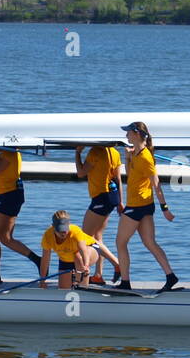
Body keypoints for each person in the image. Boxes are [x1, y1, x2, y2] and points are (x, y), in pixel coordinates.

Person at [114, 121, 178, 292]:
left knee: (120, 243)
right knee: (150, 242)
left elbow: (156, 184)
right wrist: (127, 158)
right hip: (144, 205)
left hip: (137, 206)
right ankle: (170, 276)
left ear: (136, 134)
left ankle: (125, 282)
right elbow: (131, 174)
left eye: (128, 132)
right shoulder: (137, 153)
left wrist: (165, 208)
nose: (126, 135)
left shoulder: (145, 157)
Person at [0, 148, 42, 285]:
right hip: (9, 195)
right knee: (6, 238)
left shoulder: (8, 154)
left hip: (7, 197)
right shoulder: (13, 153)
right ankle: (38, 260)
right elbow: (7, 177)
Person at [75, 143, 124, 285]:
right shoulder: (115, 152)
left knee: (84, 238)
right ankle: (98, 275)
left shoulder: (95, 152)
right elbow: (119, 179)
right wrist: (120, 202)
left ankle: (116, 263)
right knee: (97, 237)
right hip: (112, 196)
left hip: (101, 198)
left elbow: (81, 173)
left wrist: (78, 153)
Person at [38, 210, 120, 290]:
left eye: (65, 230)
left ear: (68, 225)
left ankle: (83, 287)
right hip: (66, 259)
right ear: (53, 226)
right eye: (59, 231)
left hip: (90, 250)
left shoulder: (75, 231)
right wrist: (42, 280)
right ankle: (77, 280)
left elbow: (83, 250)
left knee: (78, 256)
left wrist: (86, 266)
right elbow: (45, 260)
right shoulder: (47, 236)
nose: (63, 234)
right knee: (63, 289)